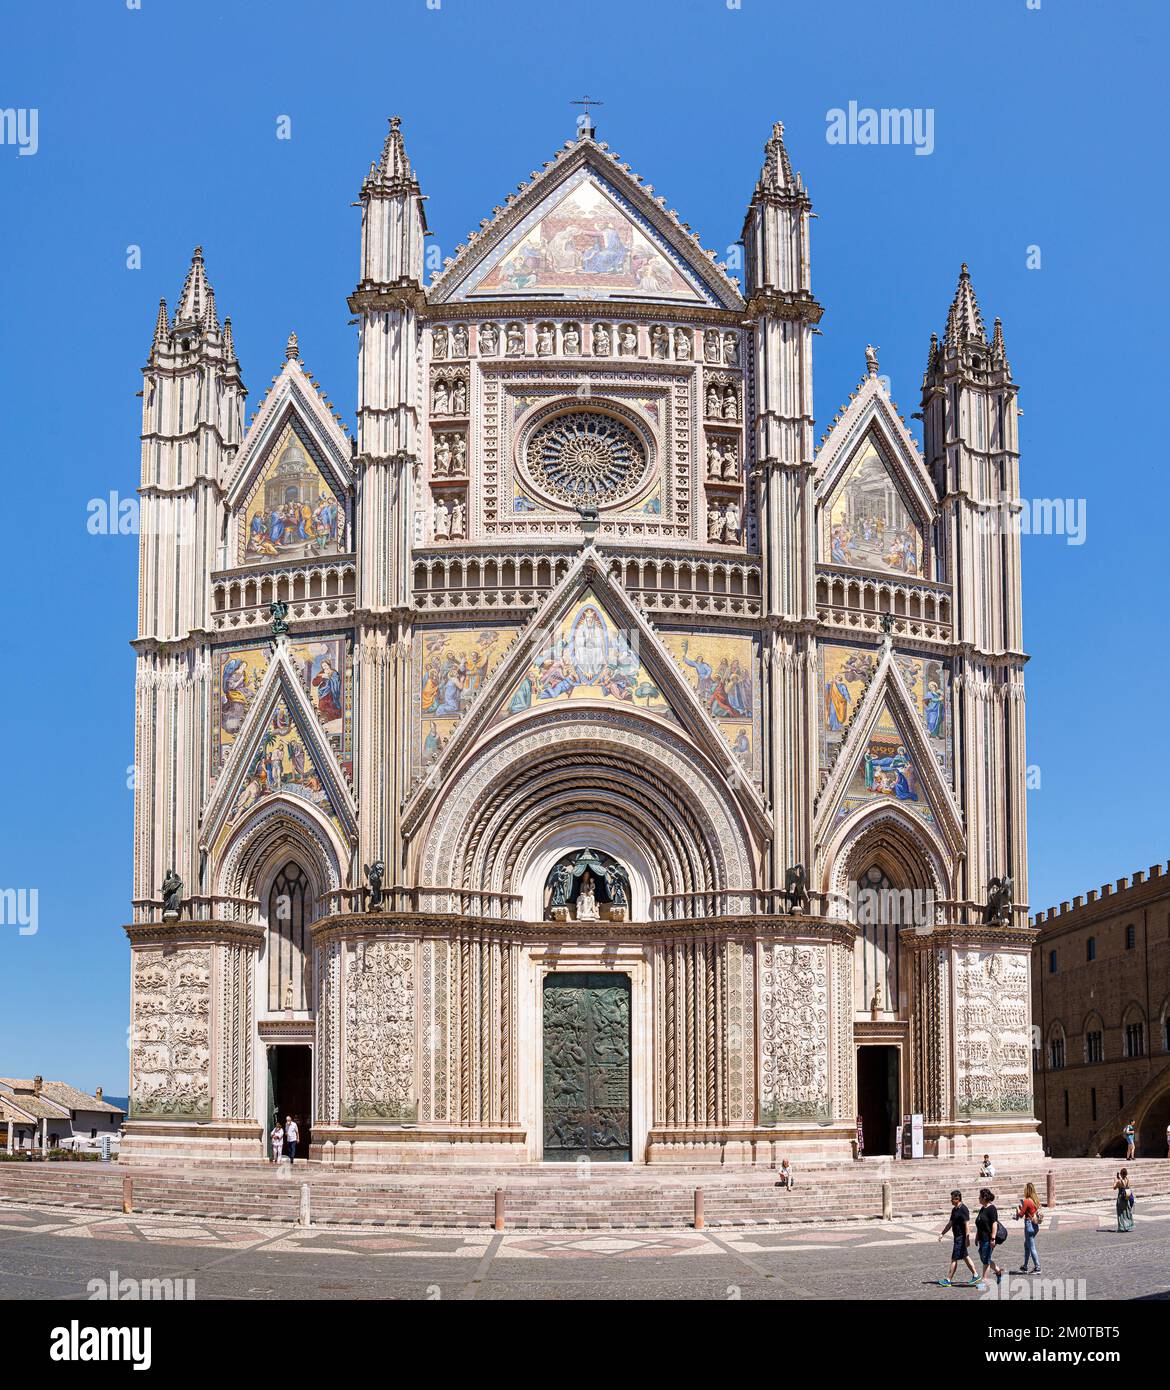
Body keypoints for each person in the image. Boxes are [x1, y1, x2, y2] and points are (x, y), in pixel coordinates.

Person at [937, 1189, 978, 1286]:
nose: (950, 1200)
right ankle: (975, 1275)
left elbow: (967, 1224)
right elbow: (950, 1223)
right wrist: (942, 1233)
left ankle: (948, 1280)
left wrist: (967, 1239)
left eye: (952, 1199)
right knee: (965, 1257)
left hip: (961, 1238)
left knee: (954, 1258)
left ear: (957, 1199)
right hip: (957, 1237)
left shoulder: (963, 1209)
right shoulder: (954, 1210)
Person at [975, 1188, 1005, 1289]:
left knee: (986, 1260)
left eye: (979, 1197)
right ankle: (998, 1271)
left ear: (984, 1198)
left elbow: (994, 1224)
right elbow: (980, 1222)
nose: (978, 1198)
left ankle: (984, 1282)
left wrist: (993, 1238)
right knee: (984, 1258)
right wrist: (976, 1236)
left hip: (988, 1239)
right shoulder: (983, 1208)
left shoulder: (992, 1209)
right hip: (982, 1239)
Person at [1015, 1181, 1042, 1273]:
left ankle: (1037, 1267)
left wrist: (1018, 1210)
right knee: (1027, 1245)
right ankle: (1025, 1266)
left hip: (1029, 1225)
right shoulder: (1036, 1200)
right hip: (1035, 1225)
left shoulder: (1026, 1201)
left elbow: (1021, 1215)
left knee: (1031, 1246)